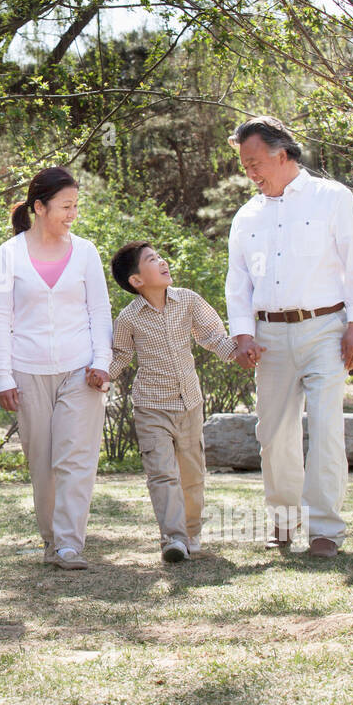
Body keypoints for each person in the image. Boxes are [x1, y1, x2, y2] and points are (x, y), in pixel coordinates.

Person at [225, 115, 353, 557]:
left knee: (326, 428)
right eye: (244, 165)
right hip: (268, 336)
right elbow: (238, 282)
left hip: (326, 329)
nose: (249, 172)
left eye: (254, 163)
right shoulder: (247, 215)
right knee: (273, 433)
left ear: (282, 153)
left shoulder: (332, 198)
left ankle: (326, 530)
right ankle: (284, 522)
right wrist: (243, 335)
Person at [0, 167, 112, 570]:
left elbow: (99, 311)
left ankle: (69, 544)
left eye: (76, 205)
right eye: (65, 206)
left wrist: (101, 362)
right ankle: (51, 539)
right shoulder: (9, 254)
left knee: (74, 459)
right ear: (39, 207)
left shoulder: (87, 251)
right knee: (43, 462)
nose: (72, 214)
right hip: (28, 370)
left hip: (81, 369)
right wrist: (3, 376)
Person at [108, 241, 238, 563]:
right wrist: (103, 375)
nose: (163, 261)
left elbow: (212, 336)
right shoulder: (129, 318)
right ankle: (173, 539)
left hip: (190, 404)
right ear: (136, 280)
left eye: (160, 256)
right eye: (152, 260)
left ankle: (191, 533)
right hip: (151, 407)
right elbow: (120, 354)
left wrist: (237, 353)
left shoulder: (188, 300)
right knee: (162, 474)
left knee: (192, 474)